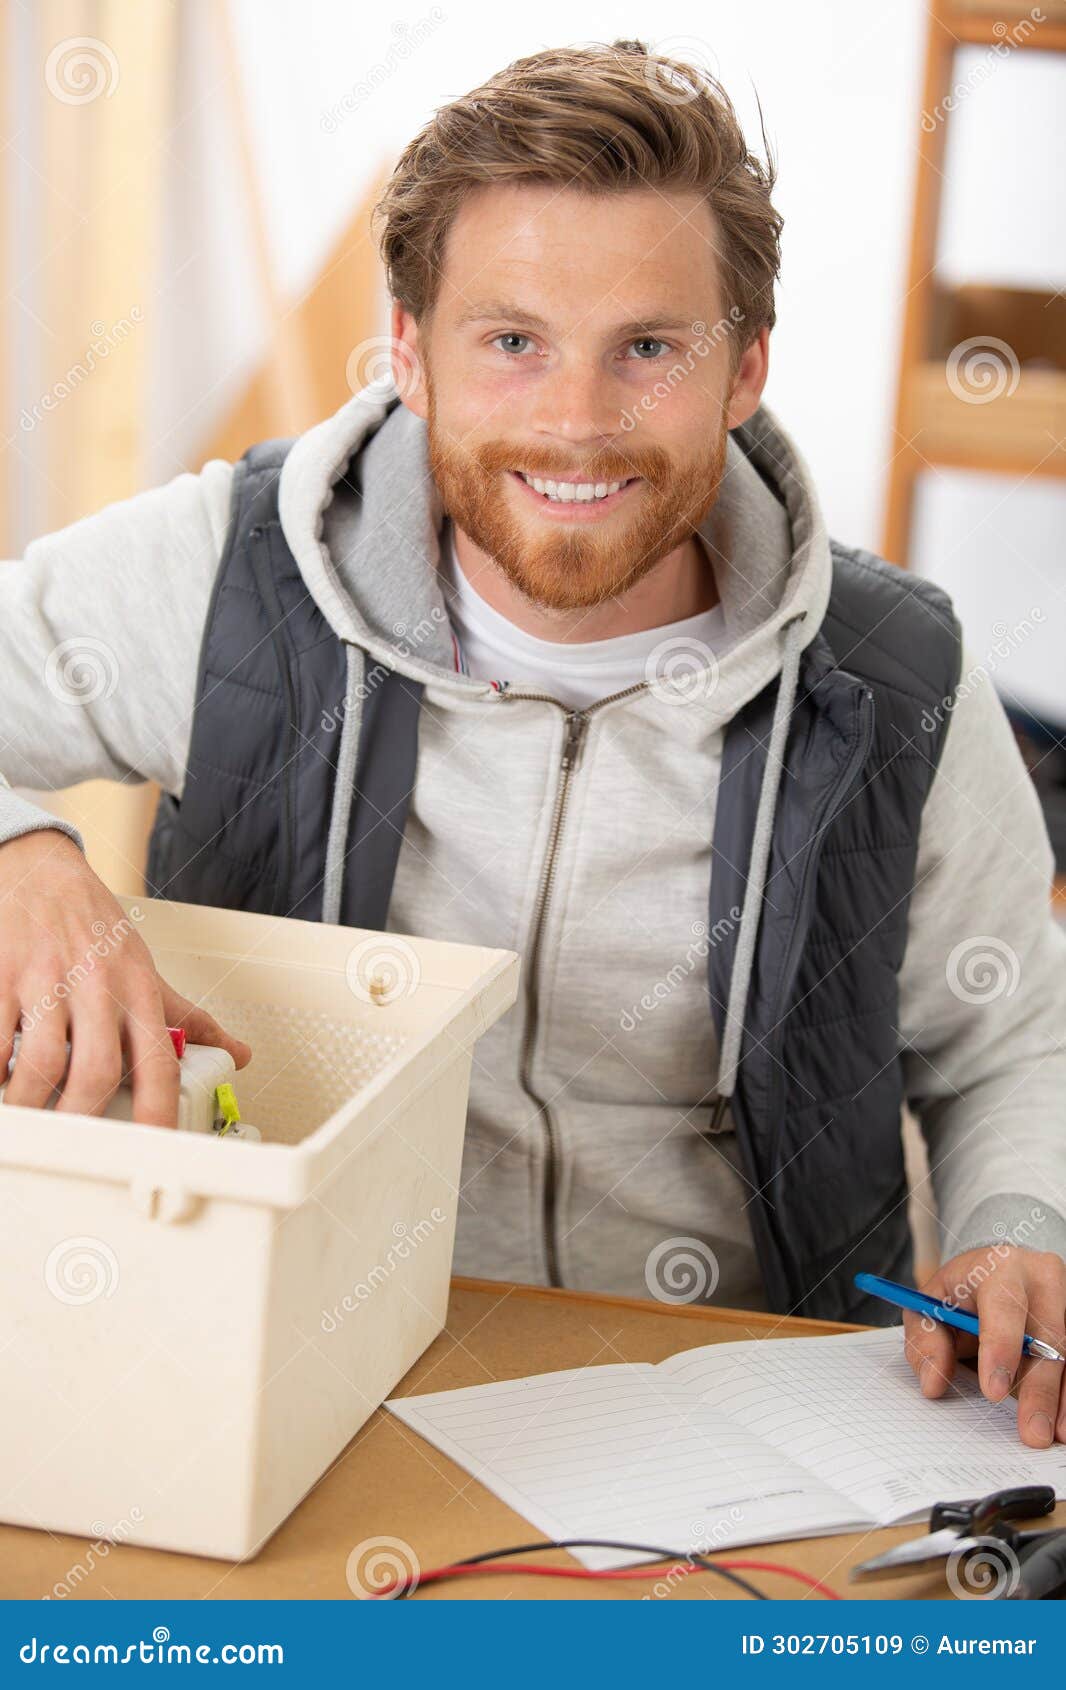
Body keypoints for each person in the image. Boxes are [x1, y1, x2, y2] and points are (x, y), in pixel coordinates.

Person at [3, 41, 1065, 1444]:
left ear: (743, 367)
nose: (575, 420)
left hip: (736, 1401)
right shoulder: (223, 574)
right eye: (509, 342)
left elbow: (1011, 1039)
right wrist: (24, 851)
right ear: (407, 354)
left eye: (648, 347)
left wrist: (1012, 1221)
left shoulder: (895, 676)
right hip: (279, 1379)